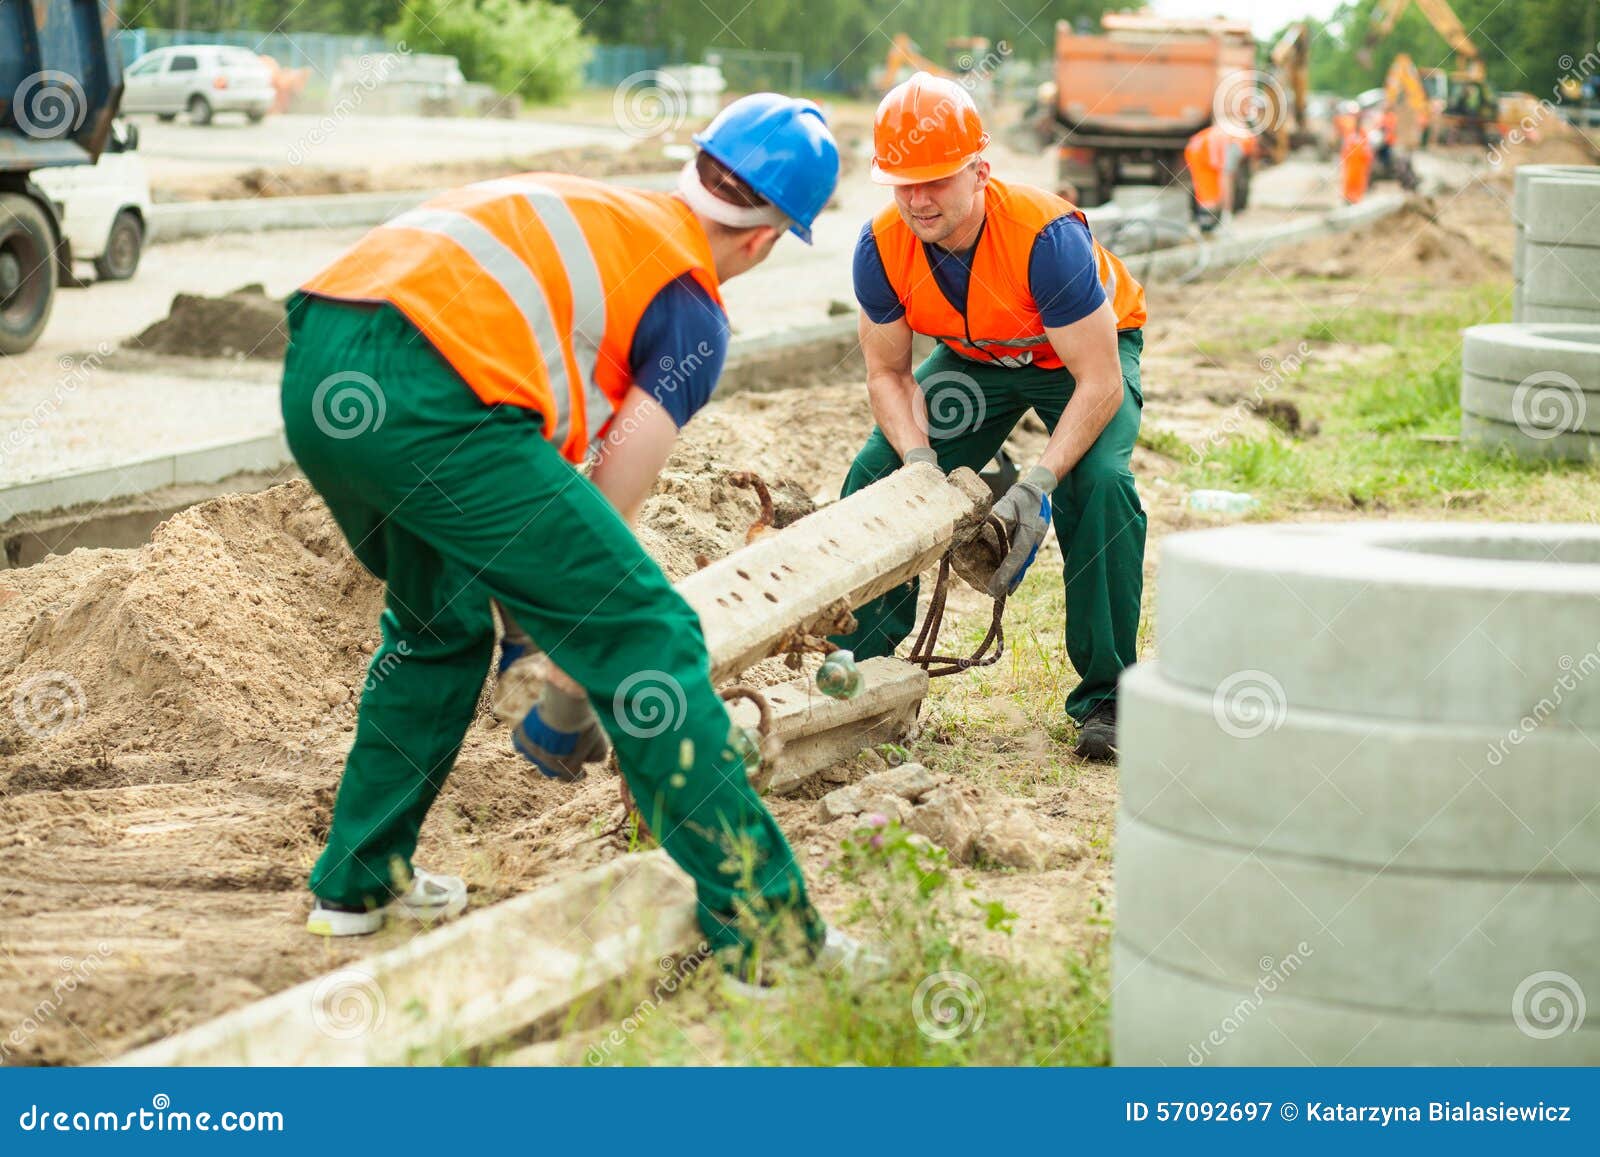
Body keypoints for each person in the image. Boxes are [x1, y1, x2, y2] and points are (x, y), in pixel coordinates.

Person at [281, 93, 853, 971]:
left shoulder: (605, 213)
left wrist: (531, 641)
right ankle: (773, 939)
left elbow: (537, 523)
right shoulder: (690, 311)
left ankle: (360, 882)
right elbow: (613, 504)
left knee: (438, 626)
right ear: (766, 238)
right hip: (435, 400)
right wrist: (573, 678)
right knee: (648, 633)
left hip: (323, 356)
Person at [836, 72, 1148, 763]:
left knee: (1099, 484)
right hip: (979, 358)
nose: (918, 199)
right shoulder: (881, 247)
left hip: (1075, 360)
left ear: (980, 171)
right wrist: (919, 463)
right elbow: (887, 373)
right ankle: (855, 662)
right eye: (902, 182)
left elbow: (1098, 381)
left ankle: (1109, 695)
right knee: (877, 469)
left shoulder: (1045, 239)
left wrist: (1035, 483)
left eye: (937, 180)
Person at [1184, 122, 1247, 232]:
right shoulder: (1239, 144)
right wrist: (1227, 212)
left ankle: (1204, 223)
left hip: (1196, 146)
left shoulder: (1235, 135)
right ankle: (1207, 225)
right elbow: (1226, 177)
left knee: (1208, 192)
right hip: (1200, 150)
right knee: (1211, 198)